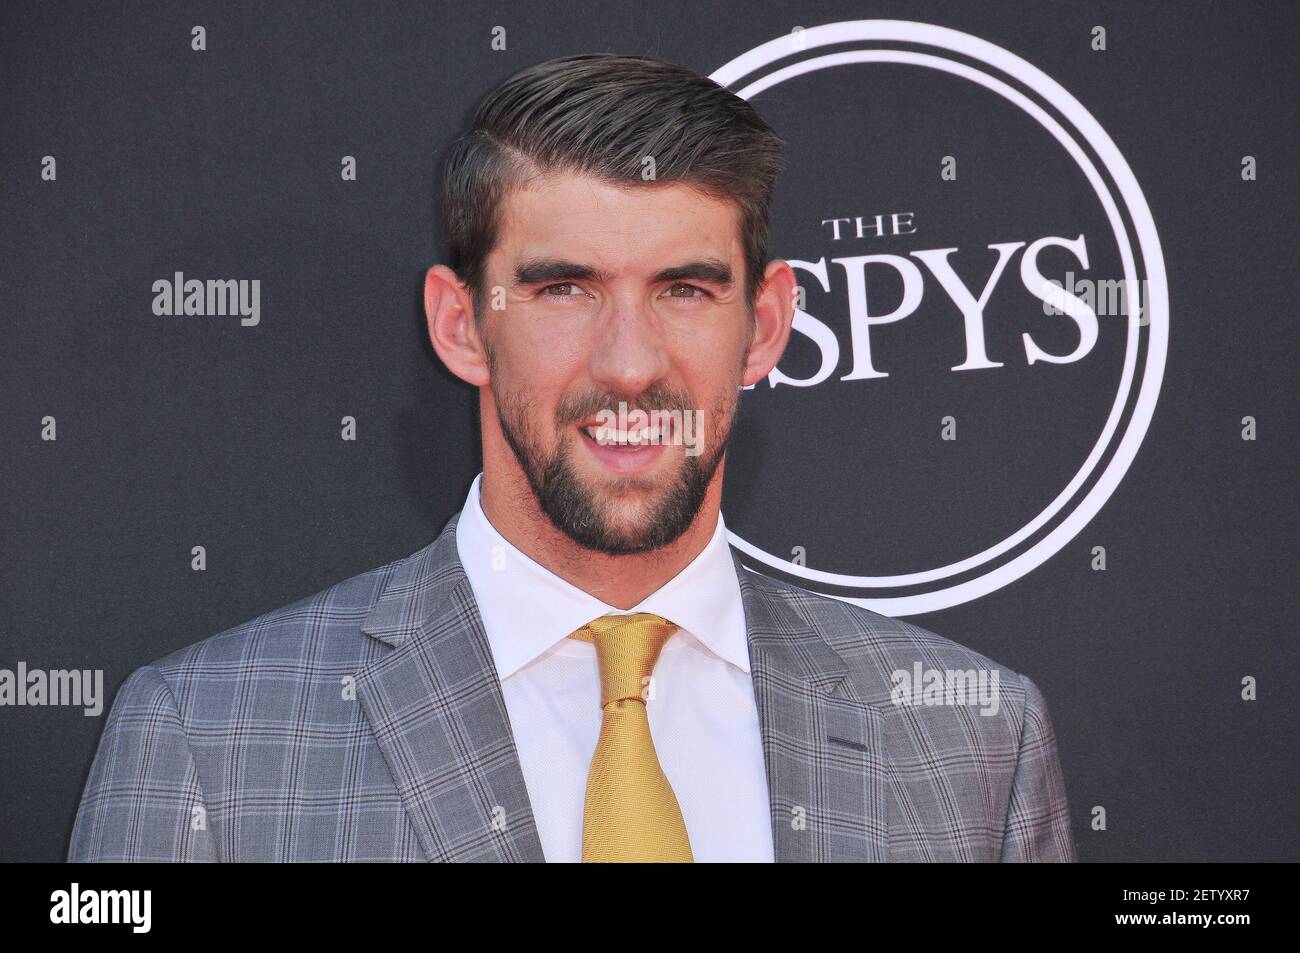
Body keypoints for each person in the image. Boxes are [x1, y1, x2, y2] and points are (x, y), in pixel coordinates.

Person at [69, 53, 1075, 863]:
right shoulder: (207, 739)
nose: (629, 365)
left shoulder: (973, 739)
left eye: (684, 288)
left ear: (765, 326)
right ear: (461, 325)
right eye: (564, 289)